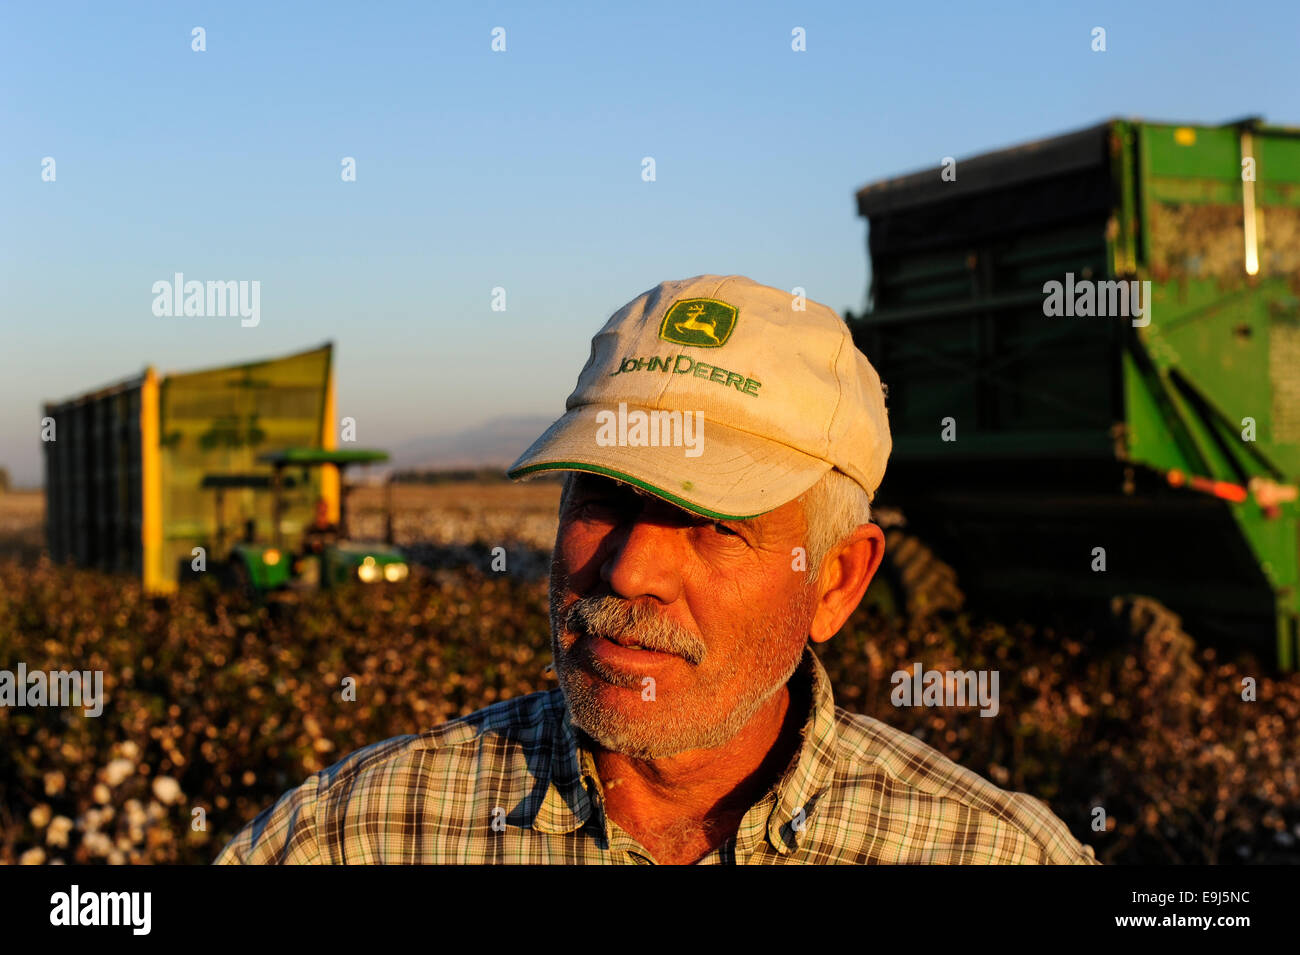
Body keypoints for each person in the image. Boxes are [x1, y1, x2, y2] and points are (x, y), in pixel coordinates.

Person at [215, 274, 1098, 864]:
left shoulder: (990, 852)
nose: (631, 567)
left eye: (714, 522)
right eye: (602, 498)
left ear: (836, 581)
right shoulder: (358, 835)